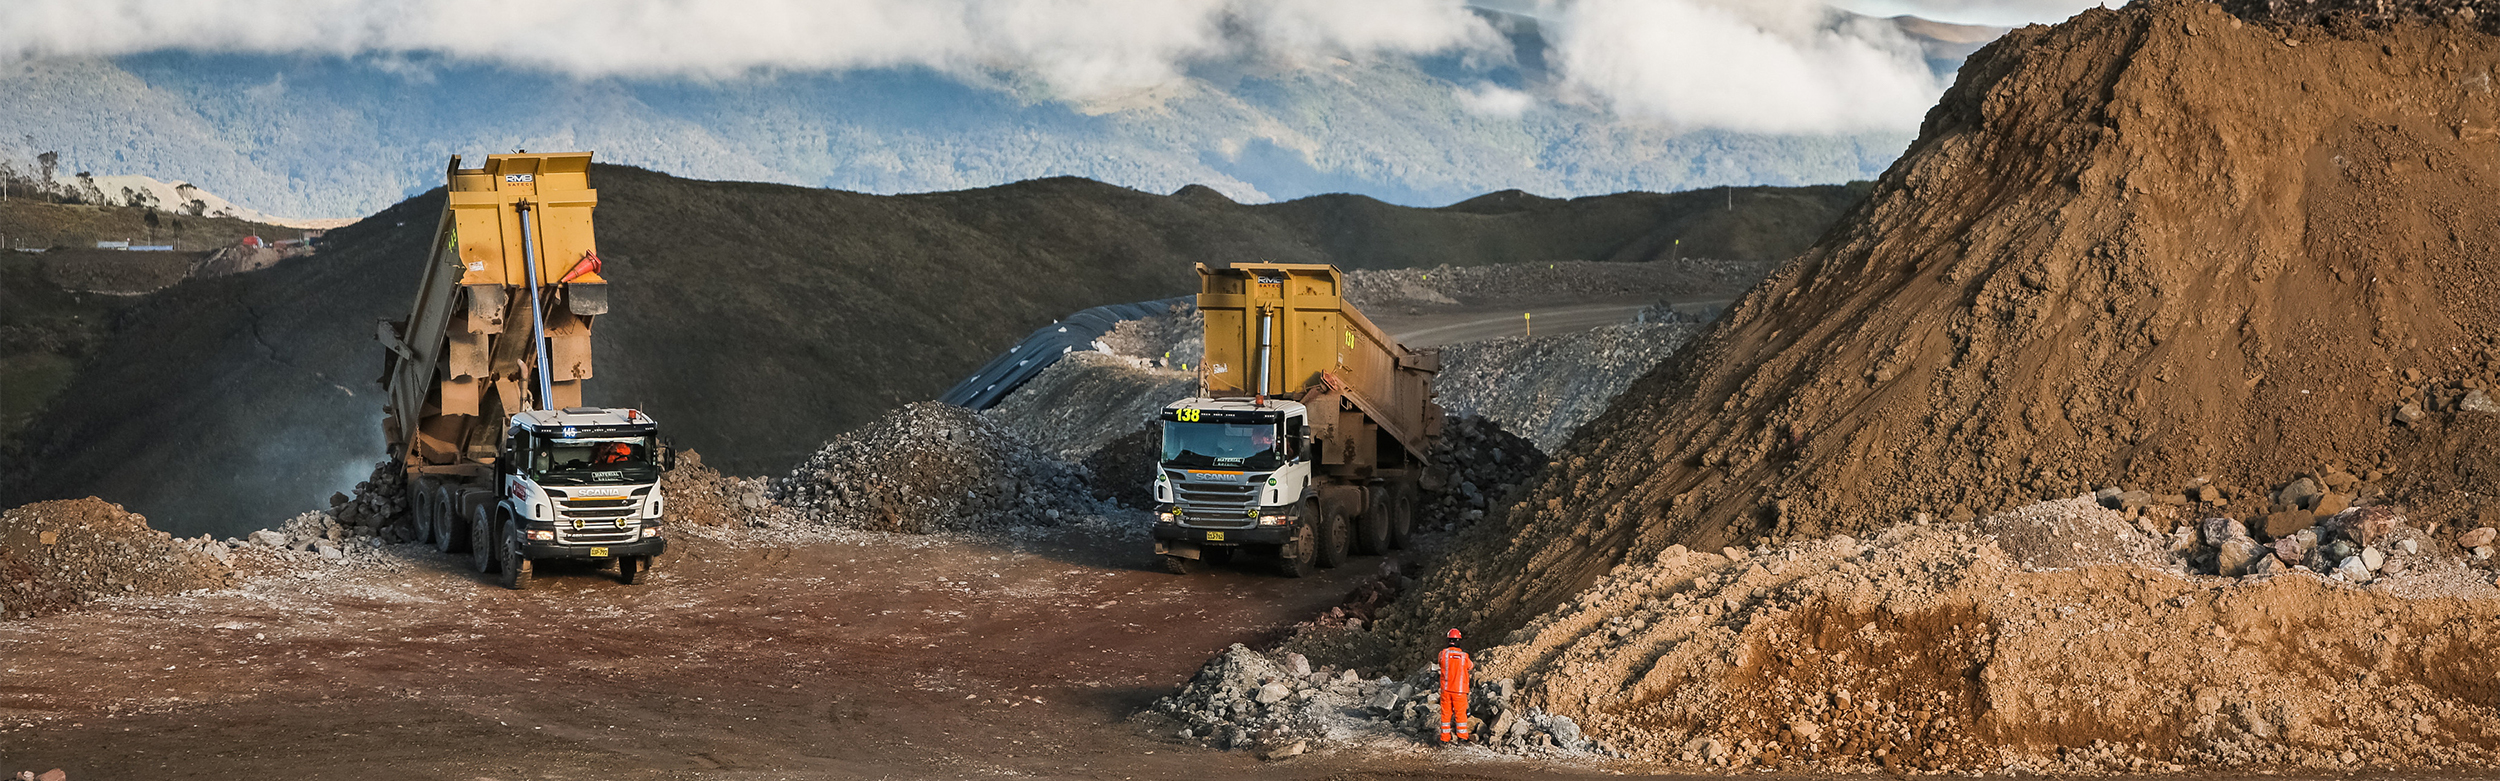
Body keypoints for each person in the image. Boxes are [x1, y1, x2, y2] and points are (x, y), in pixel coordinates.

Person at [1438, 628, 1473, 744]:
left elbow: (1440, 662)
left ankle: (1444, 738)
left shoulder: (1443, 654)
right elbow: (1470, 666)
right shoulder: (1464, 656)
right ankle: (1462, 737)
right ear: (1459, 641)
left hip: (1446, 690)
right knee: (1460, 714)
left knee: (1445, 714)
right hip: (1459, 691)